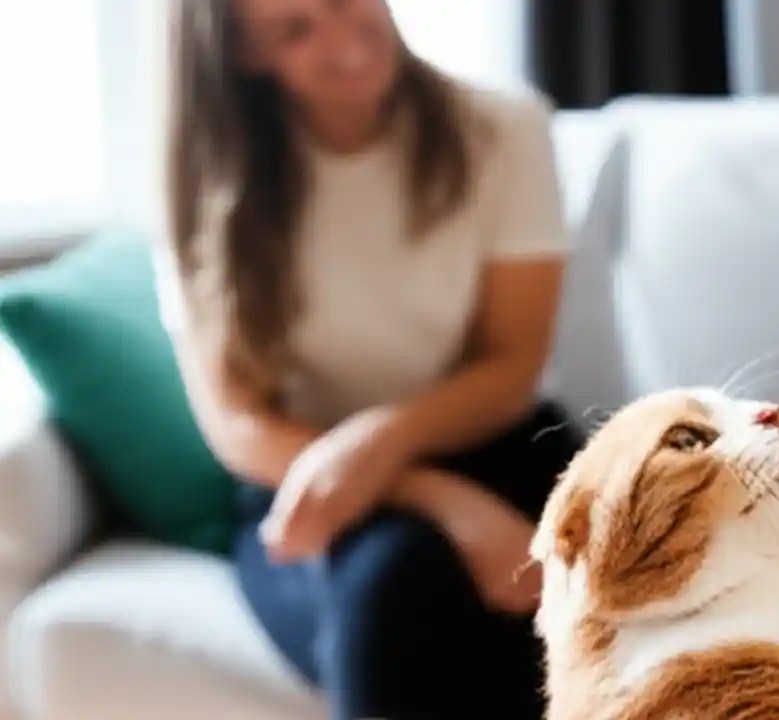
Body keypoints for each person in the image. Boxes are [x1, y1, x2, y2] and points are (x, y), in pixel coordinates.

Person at [153, 1, 583, 717]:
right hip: (306, 476)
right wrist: (438, 498)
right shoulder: (201, 181)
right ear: (244, 57)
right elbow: (236, 423)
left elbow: (512, 363)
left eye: (345, 1)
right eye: (294, 30)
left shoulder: (504, 129)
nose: (343, 40)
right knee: (397, 589)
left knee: (583, 598)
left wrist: (384, 442)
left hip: (499, 443)